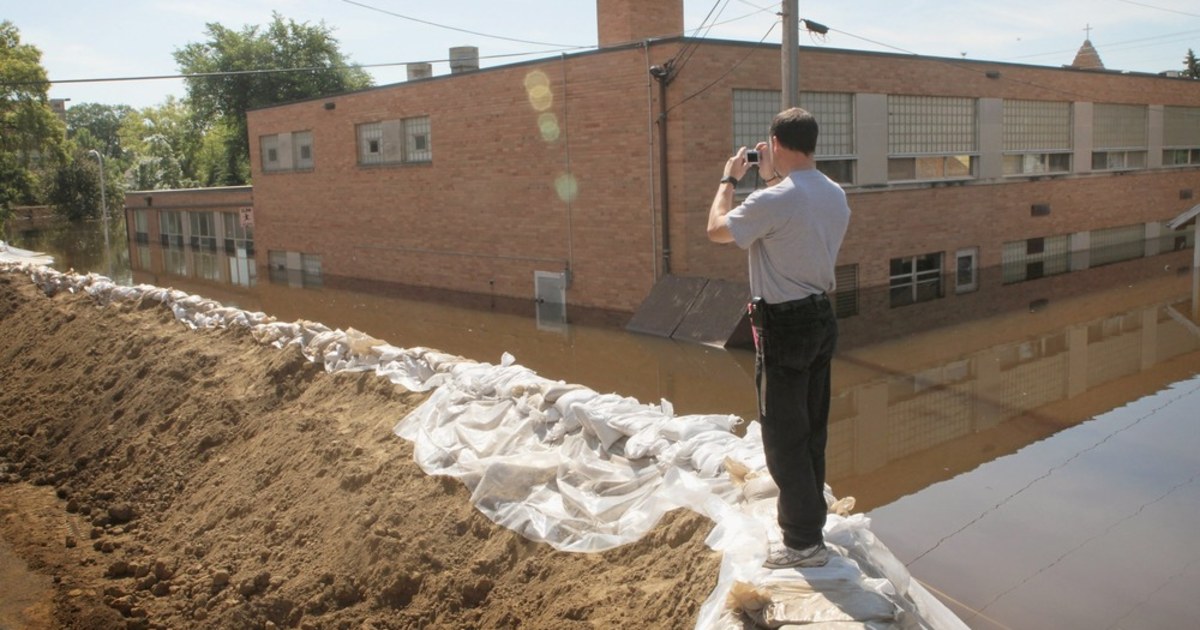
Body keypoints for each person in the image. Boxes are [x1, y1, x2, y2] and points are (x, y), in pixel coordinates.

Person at [706, 107, 851, 569]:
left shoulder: (774, 200)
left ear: (775, 142)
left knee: (783, 437)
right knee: (811, 429)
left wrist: (729, 180)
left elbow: (715, 231)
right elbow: (793, 221)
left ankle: (803, 543)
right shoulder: (833, 193)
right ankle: (810, 527)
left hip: (785, 327)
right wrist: (772, 179)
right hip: (820, 318)